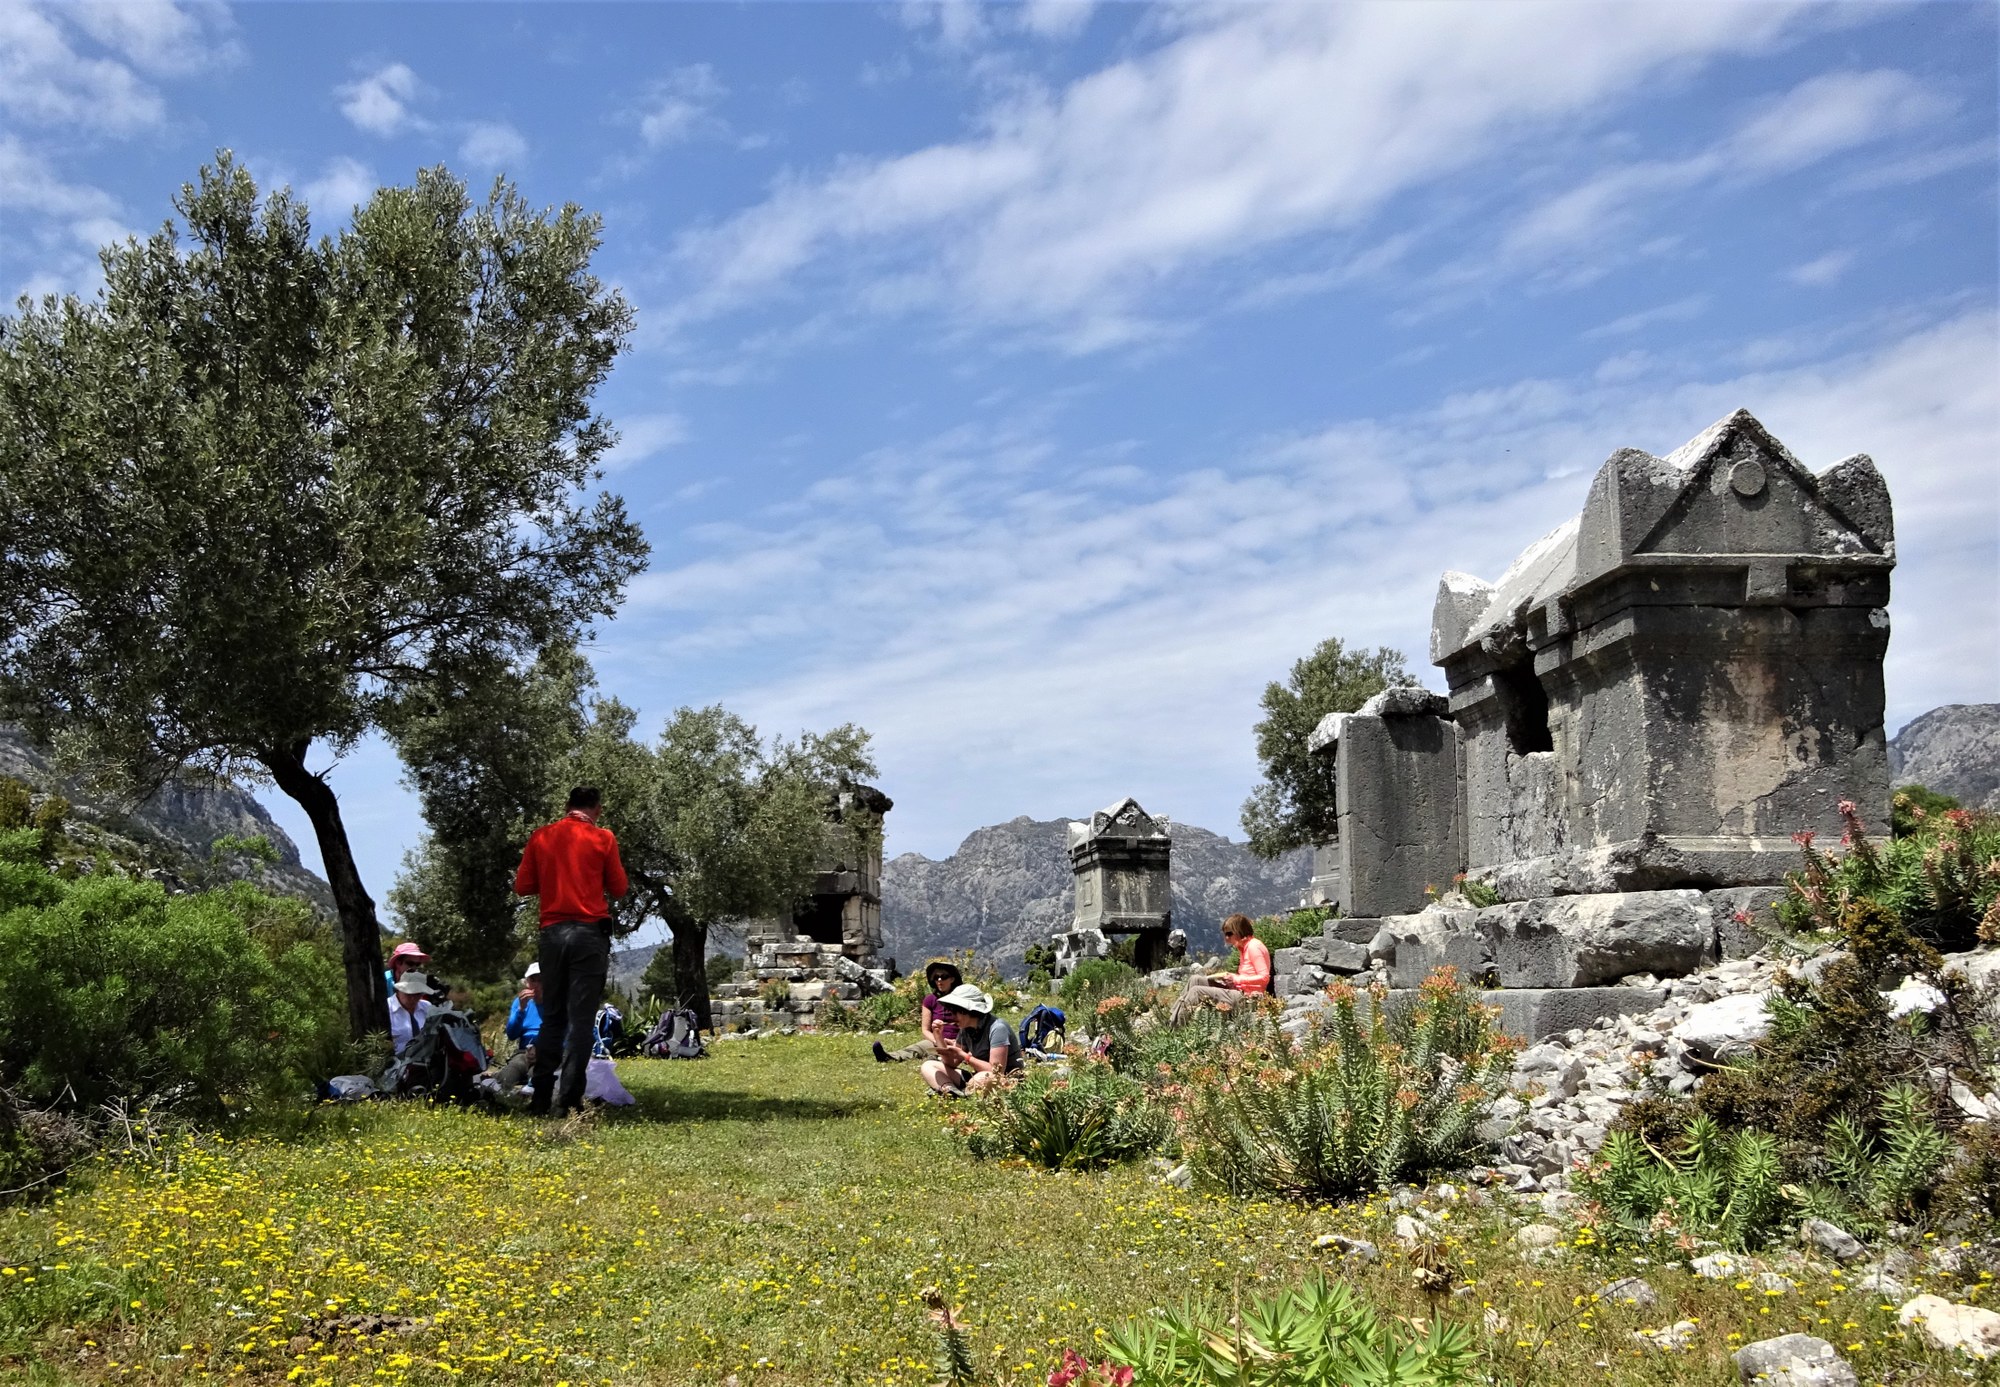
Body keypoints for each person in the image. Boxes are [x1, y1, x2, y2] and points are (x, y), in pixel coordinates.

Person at [514, 786, 631, 1118]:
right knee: (580, 1021)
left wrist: (552, 878)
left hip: (552, 935)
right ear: (597, 809)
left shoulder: (541, 836)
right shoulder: (603, 838)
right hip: (588, 934)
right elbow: (619, 888)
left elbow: (523, 886)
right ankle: (568, 1100)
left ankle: (539, 1099)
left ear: (566, 807)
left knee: (552, 1017)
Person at [919, 984, 1022, 1096]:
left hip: (1005, 1079)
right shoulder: (965, 1029)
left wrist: (965, 1056)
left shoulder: (997, 1028)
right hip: (979, 1076)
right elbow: (951, 1063)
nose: (951, 1017)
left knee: (981, 1078)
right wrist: (938, 1037)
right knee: (928, 1066)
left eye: (954, 1012)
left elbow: (996, 1071)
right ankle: (952, 1092)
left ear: (966, 1011)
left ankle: (961, 1092)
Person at [1170, 913, 1272, 1024]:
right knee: (1195, 979)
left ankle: (1177, 1026)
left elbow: (1264, 977)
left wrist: (1237, 979)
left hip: (1248, 997)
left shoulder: (1254, 947)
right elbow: (1249, 975)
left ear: (1239, 931)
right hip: (1239, 990)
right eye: (1225, 934)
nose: (1227, 938)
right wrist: (1231, 978)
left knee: (1196, 991)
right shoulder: (1244, 948)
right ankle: (1172, 1016)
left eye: (1229, 934)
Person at [872, 960, 964, 1063]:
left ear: (952, 979)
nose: (939, 980)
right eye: (936, 977)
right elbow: (925, 1030)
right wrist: (937, 1041)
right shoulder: (930, 1000)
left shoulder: (963, 999)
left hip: (960, 1042)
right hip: (936, 1040)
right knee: (917, 1048)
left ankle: (938, 1057)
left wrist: (957, 1042)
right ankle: (889, 1057)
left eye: (943, 977)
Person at [490, 963, 543, 1094]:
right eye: (533, 980)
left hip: (548, 1052)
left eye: (541, 980)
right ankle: (501, 1091)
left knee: (536, 1075)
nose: (536, 984)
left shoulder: (557, 1004)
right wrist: (521, 1009)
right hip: (525, 1051)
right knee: (512, 1070)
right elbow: (512, 1034)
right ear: (527, 983)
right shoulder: (520, 1003)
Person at [388, 970, 433, 1055]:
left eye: (417, 994)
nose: (412, 998)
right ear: (399, 990)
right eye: (408, 993)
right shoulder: (387, 1009)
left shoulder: (427, 1007)